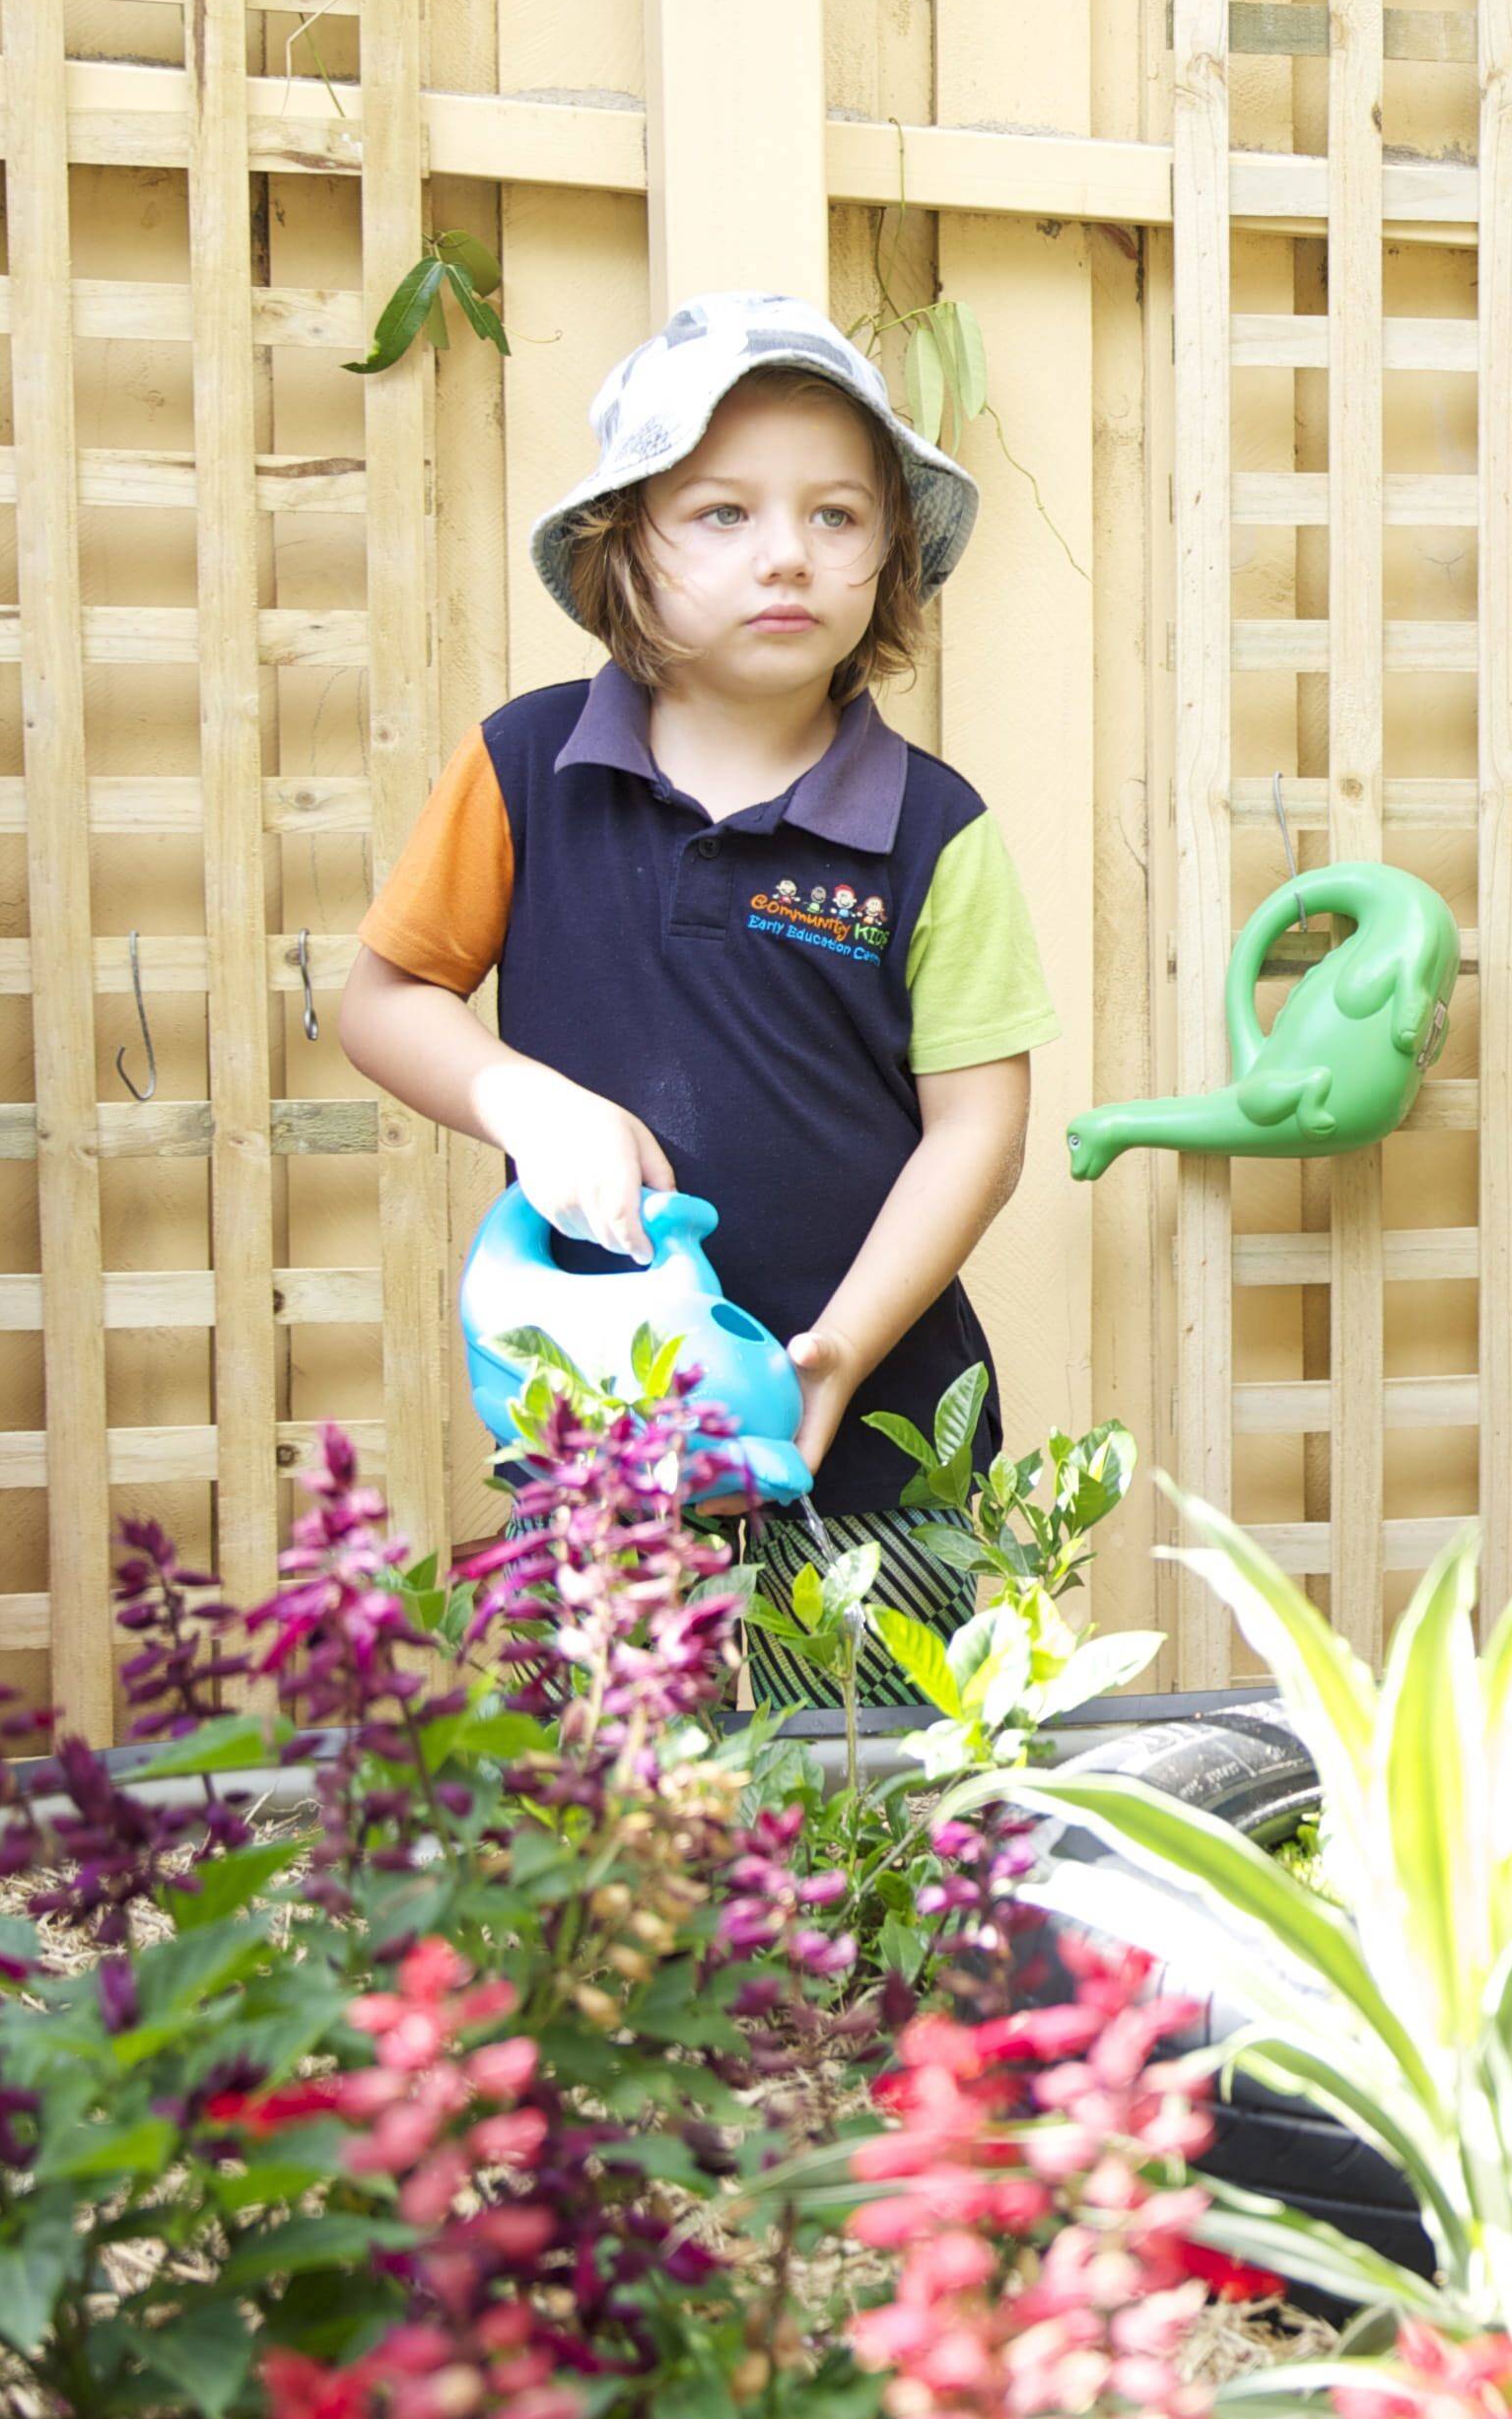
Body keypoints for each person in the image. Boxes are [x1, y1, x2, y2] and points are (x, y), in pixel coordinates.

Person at [337, 298, 1051, 1625]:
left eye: (836, 515)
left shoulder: (932, 829)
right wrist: (530, 1101)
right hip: (606, 1424)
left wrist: (835, 1361)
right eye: (724, 513)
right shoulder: (524, 769)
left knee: (889, 1804)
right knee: (626, 1806)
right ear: (625, 550)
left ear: (889, 556)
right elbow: (385, 1001)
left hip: (885, 1438)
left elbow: (979, 1133)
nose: (787, 554)